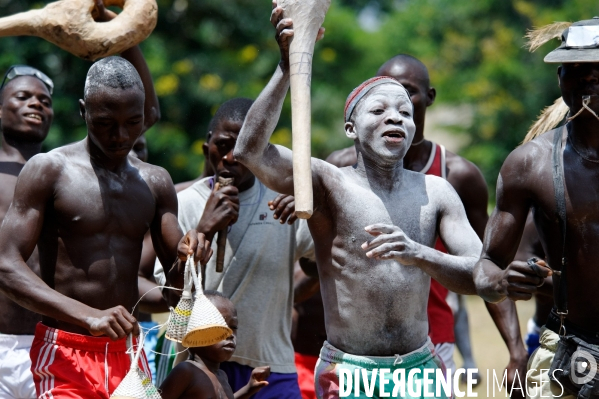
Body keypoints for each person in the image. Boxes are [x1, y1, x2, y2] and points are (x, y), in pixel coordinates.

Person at [233, 5, 483, 398]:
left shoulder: (437, 191)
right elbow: (249, 150)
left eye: (404, 112)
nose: (395, 118)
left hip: (420, 367)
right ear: (350, 127)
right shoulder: (327, 183)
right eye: (379, 110)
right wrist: (286, 66)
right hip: (349, 371)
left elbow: (480, 275)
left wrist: (418, 254)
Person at [0, 55, 208, 399]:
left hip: (128, 351)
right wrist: (88, 317)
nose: (120, 135)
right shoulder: (48, 170)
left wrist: (193, 254)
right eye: (105, 122)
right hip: (65, 351)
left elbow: (177, 293)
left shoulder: (155, 182)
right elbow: (5, 265)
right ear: (83, 112)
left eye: (133, 122)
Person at [326, 54, 528, 390]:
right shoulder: (338, 173)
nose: (393, 108)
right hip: (355, 353)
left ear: (428, 97)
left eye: (406, 93)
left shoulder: (455, 176)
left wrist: (516, 349)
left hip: (431, 338)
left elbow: (488, 263)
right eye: (381, 97)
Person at [155, 97, 315, 398]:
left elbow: (318, 265)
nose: (231, 158)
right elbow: (170, 298)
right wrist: (204, 229)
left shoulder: (281, 202)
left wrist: (313, 211)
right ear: (207, 144)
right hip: (203, 363)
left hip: (271, 366)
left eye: (244, 149)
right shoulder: (187, 203)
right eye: (224, 145)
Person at [474, 17, 599, 399]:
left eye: (598, 70)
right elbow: (487, 266)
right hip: (569, 349)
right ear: (560, 78)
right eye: (576, 70)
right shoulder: (529, 164)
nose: (588, 80)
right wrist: (501, 282)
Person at [0, 64, 54, 399]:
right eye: (23, 96)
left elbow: (144, 116)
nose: (36, 104)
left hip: (47, 344)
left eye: (45, 101)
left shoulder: (60, 174)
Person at [160, 290, 271, 399]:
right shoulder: (186, 371)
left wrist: (248, 389)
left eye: (234, 327)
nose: (230, 334)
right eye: (220, 327)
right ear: (194, 332)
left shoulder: (222, 376)